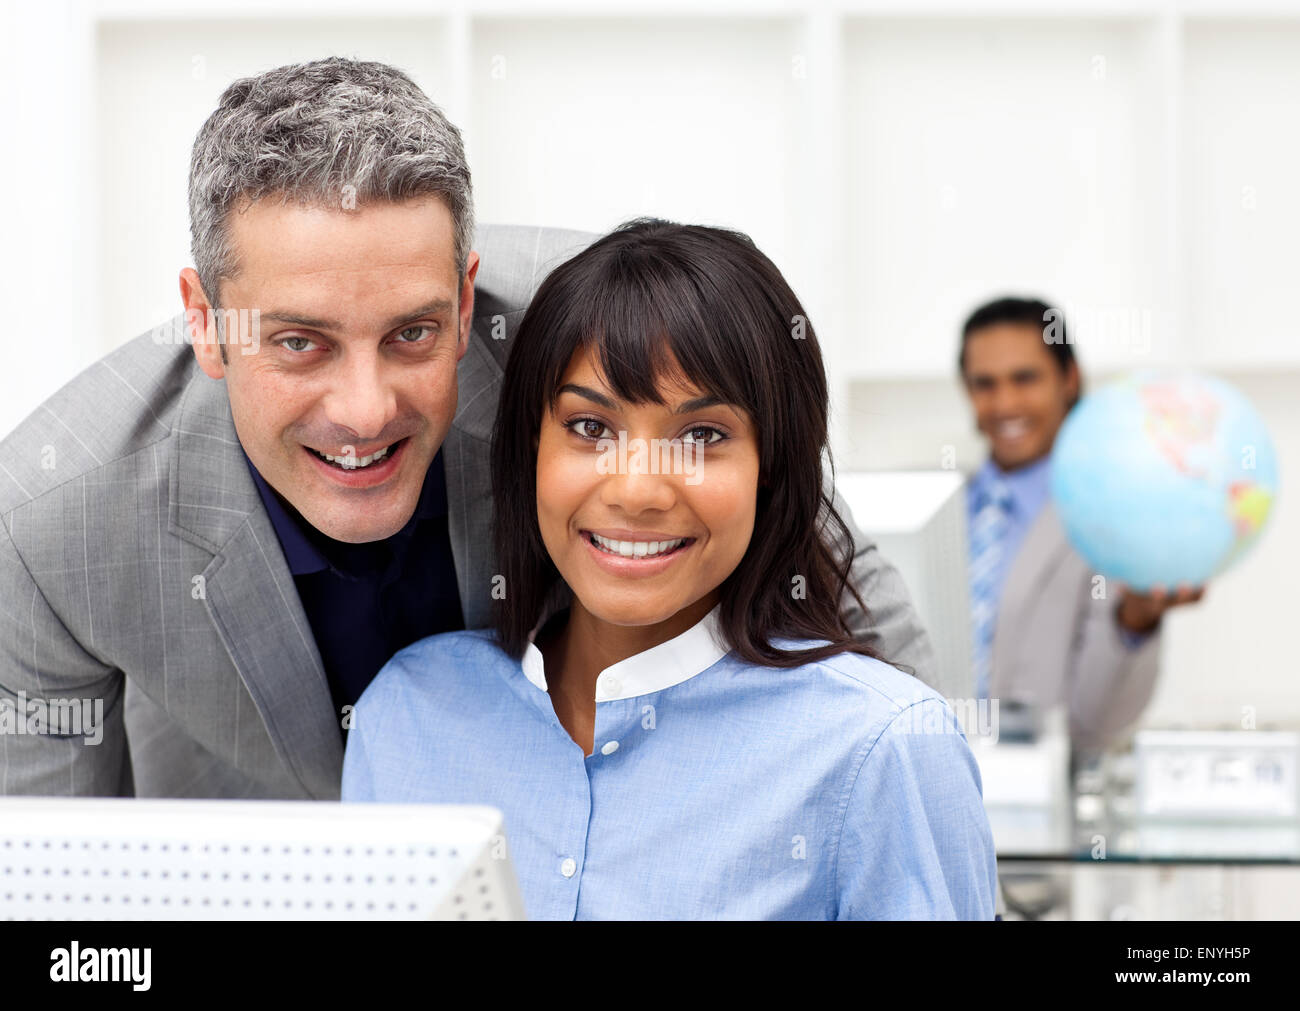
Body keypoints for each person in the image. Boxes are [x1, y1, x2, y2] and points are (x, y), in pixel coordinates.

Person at [0, 57, 935, 798]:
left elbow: (838, 599)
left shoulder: (599, 342)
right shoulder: (53, 520)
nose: (365, 410)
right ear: (206, 321)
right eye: (299, 342)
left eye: (413, 332)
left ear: (463, 294)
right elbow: (50, 881)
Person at [342, 220, 998, 920]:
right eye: (590, 428)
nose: (637, 490)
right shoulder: (408, 713)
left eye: (701, 436)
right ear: (530, 450)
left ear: (769, 468)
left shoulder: (883, 750)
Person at [960, 297, 1204, 750]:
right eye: (985, 384)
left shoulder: (1108, 516)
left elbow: (1098, 722)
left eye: (1025, 378)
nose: (1005, 402)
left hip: (1042, 797)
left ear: (1069, 380)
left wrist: (1134, 620)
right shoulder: (935, 509)